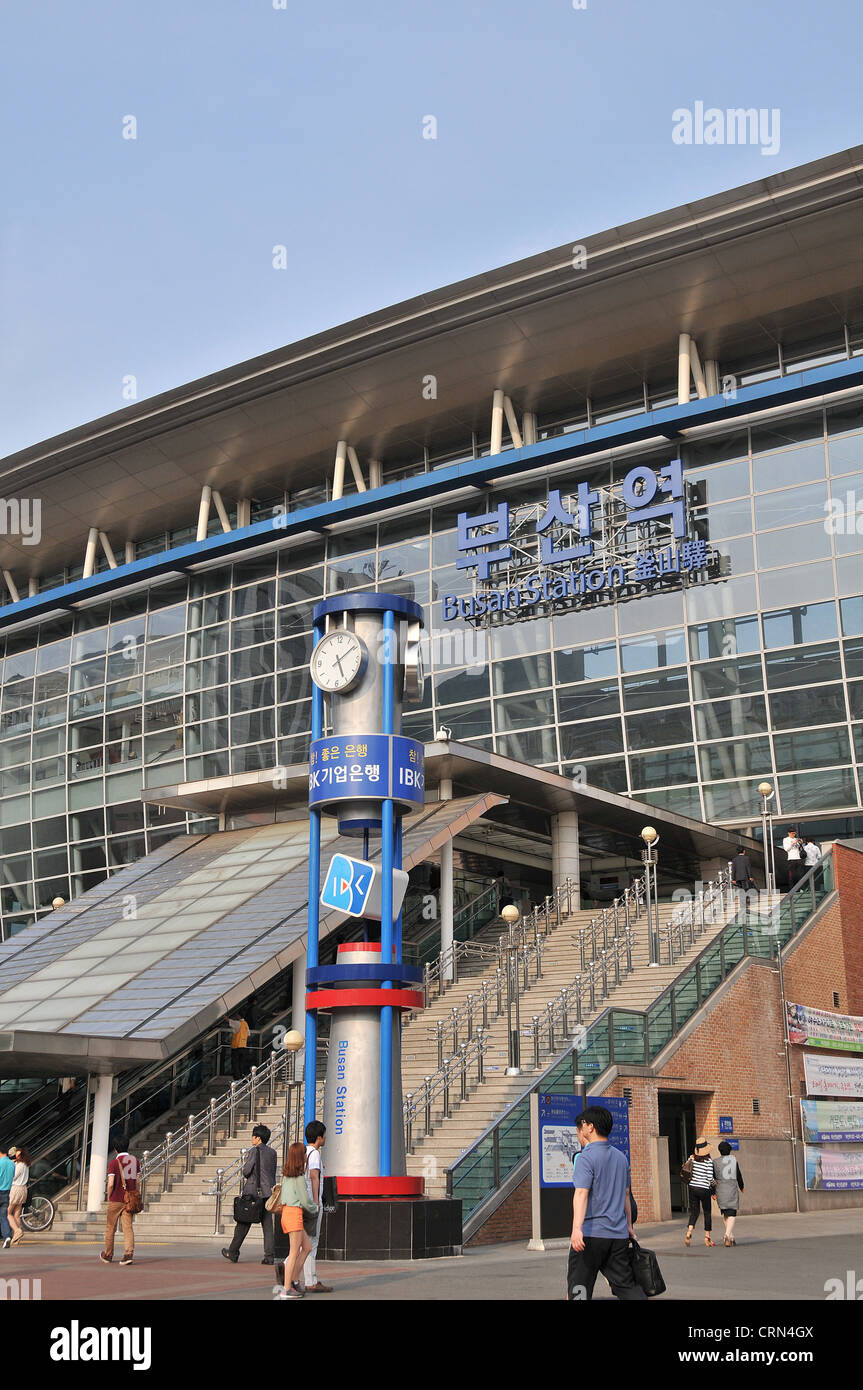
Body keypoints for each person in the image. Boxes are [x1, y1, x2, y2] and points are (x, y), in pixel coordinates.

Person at [567, 1105, 645, 1301]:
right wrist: (628, 1226)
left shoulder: (586, 1157)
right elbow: (626, 1195)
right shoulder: (621, 1158)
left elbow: (582, 1194)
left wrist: (577, 1228)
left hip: (591, 1235)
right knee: (626, 1286)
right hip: (618, 1235)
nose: (581, 1129)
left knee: (580, 1288)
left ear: (590, 1127)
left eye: (582, 1125)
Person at [222, 1123, 278, 1265]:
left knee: (243, 1223)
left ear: (258, 1138)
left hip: (254, 1193)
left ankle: (233, 1252)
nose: (252, 1139)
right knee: (267, 1226)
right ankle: (269, 1256)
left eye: (253, 1136)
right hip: (268, 1193)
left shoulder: (254, 1151)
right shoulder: (273, 1153)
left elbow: (247, 1171)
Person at [277, 1141, 318, 1301]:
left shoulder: (287, 1175)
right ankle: (286, 1289)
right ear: (301, 1157)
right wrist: (315, 1207)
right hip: (295, 1214)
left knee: (306, 1247)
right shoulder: (299, 1177)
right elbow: (305, 1200)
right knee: (294, 1253)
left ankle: (293, 1281)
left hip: (288, 1213)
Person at [301, 1120, 332, 1293]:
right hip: (312, 1203)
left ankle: (309, 1278)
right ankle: (310, 1280)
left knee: (304, 1242)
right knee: (311, 1241)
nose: (326, 1138)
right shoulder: (314, 1154)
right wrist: (316, 1202)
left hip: (304, 1202)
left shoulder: (304, 1152)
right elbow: (314, 1177)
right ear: (319, 1137)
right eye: (324, 1135)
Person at [100, 1133, 139, 1266]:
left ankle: (108, 1254)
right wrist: (135, 1194)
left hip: (116, 1199)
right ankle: (128, 1254)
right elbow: (137, 1181)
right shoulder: (135, 1161)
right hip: (129, 1199)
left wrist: (109, 1195)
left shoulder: (113, 1163)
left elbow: (110, 1183)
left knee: (110, 1227)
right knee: (128, 1228)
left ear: (115, 1149)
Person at [684, 1137, 716, 1247]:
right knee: (707, 1212)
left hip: (692, 1188)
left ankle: (689, 1232)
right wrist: (714, 1184)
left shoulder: (692, 1159)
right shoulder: (708, 1162)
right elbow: (710, 1178)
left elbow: (687, 1170)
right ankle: (707, 1237)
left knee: (694, 1211)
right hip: (704, 1189)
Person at [714, 1140, 744, 1247]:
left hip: (720, 1190)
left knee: (726, 1213)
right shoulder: (733, 1160)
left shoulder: (715, 1162)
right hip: (731, 1189)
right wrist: (742, 1186)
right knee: (732, 1213)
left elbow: (713, 1178)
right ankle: (726, 1235)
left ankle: (731, 1237)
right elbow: (738, 1175)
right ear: (730, 1150)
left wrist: (713, 1191)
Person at [6, 1144, 30, 1247]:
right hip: (23, 1189)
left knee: (7, 1213)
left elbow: (13, 1177)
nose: (15, 1155)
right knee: (16, 1214)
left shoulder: (19, 1166)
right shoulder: (25, 1165)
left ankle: (17, 1231)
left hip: (16, 1189)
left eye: (17, 1154)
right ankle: (16, 1238)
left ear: (20, 1155)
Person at [227, 1014, 250, 1080]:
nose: (236, 1017)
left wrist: (224, 1016)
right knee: (241, 1063)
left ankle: (237, 1077)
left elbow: (229, 1021)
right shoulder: (245, 1024)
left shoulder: (237, 1023)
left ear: (239, 1016)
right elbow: (248, 1034)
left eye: (236, 1015)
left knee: (235, 1063)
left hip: (236, 1046)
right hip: (243, 1046)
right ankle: (241, 1076)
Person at [0, 1144, 13, 1247]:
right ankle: (7, 1236)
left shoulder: (0, 1162)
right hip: (7, 1192)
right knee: (3, 1216)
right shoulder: (12, 1163)